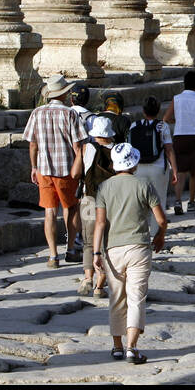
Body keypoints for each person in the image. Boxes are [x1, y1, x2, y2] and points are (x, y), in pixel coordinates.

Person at [94, 142, 168, 365]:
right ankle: (132, 348)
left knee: (117, 298)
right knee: (136, 298)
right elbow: (161, 220)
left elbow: (100, 223)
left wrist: (96, 252)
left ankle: (117, 346)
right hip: (139, 248)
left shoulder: (104, 187)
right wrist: (160, 235)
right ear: (134, 163)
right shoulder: (144, 185)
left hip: (113, 249)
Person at [24, 74, 89, 268]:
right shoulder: (69, 114)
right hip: (66, 170)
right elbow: (78, 146)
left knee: (49, 212)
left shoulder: (37, 113)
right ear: (64, 94)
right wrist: (82, 169)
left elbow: (32, 144)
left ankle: (53, 256)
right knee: (71, 208)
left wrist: (33, 167)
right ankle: (70, 249)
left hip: (44, 169)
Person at [78, 113, 118, 297]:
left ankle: (88, 278)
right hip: (110, 201)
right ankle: (100, 285)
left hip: (89, 198)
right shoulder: (117, 150)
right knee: (106, 242)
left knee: (88, 240)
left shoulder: (86, 148)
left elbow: (75, 173)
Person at [163, 70, 195, 214]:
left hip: (180, 135)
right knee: (194, 171)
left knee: (180, 171)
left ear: (184, 83)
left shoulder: (176, 99)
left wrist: (177, 121)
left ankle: (178, 201)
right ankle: (191, 201)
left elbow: (166, 118)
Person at [130, 96, 177, 214]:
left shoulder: (134, 125)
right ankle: (158, 225)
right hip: (158, 168)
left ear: (143, 111)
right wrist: (175, 170)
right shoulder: (163, 126)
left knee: (140, 202)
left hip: (138, 168)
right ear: (158, 110)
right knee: (159, 200)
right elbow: (169, 150)